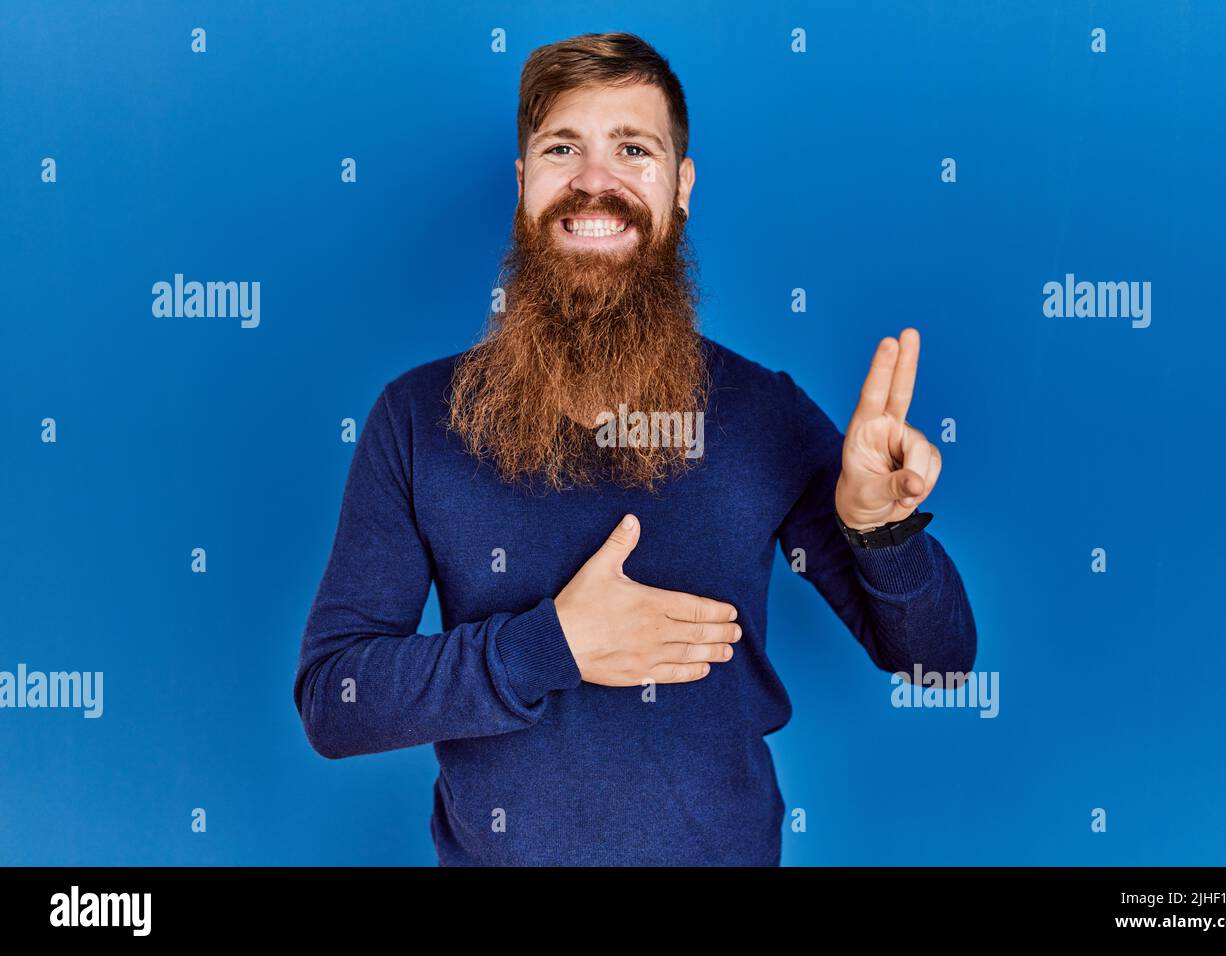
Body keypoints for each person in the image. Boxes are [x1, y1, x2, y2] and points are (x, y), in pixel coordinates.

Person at [294, 31, 977, 866]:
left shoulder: (764, 414)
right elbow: (336, 701)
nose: (593, 179)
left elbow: (936, 663)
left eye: (633, 148)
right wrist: (553, 646)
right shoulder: (415, 418)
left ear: (680, 186)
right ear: (522, 183)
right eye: (561, 147)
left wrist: (880, 530)